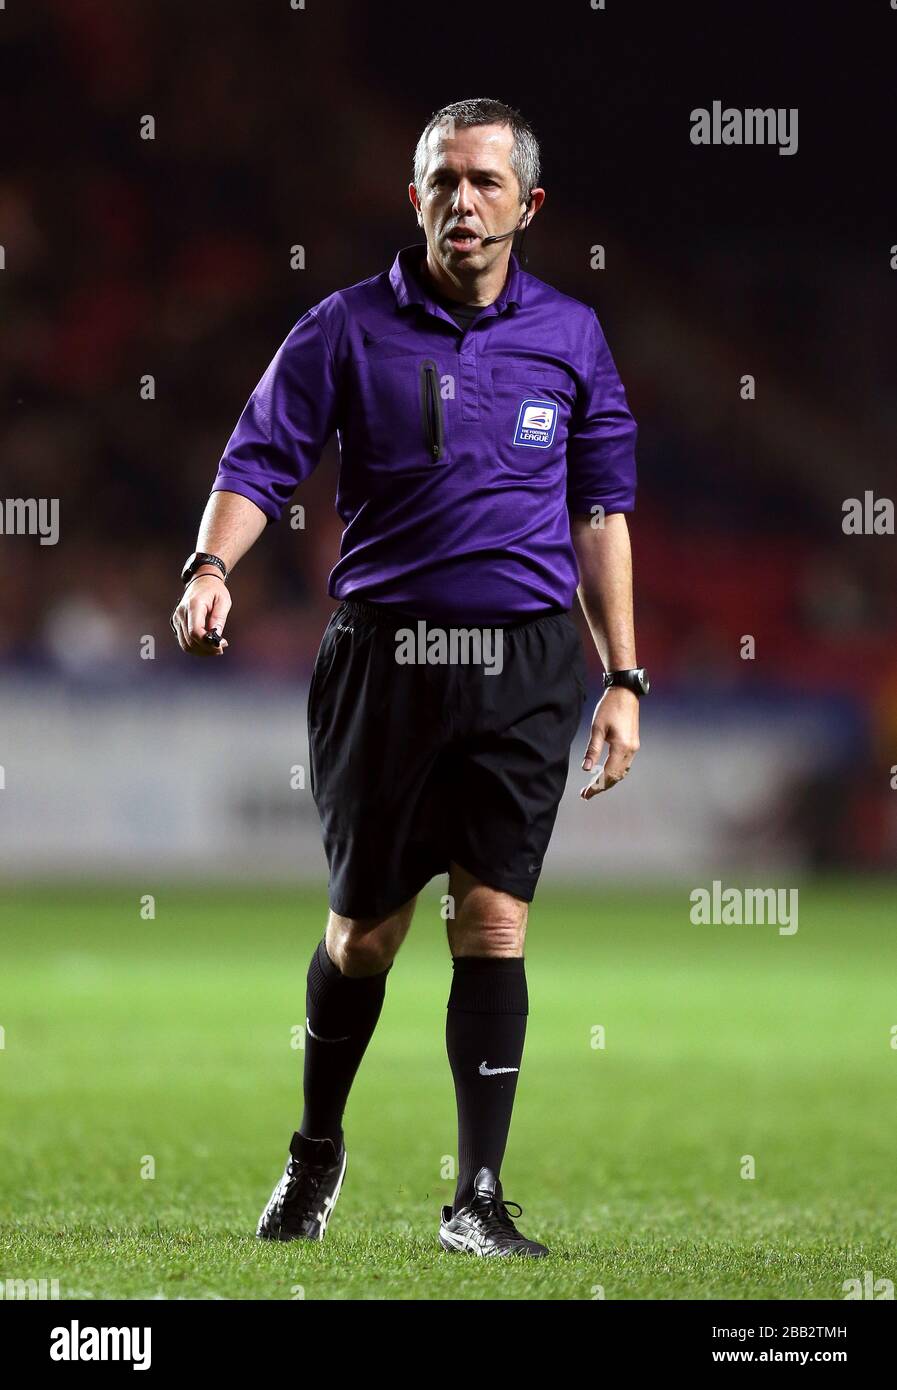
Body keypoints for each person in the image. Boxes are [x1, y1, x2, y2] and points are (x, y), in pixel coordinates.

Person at [171, 97, 647, 1257]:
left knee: (494, 919)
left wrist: (624, 675)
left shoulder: (574, 338)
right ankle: (316, 1150)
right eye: (443, 180)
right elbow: (259, 454)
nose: (462, 202)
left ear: (526, 206)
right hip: (384, 659)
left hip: (526, 663)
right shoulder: (343, 327)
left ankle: (476, 1199)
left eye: (486, 182)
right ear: (415, 196)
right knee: (364, 935)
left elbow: (601, 513)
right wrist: (209, 564)